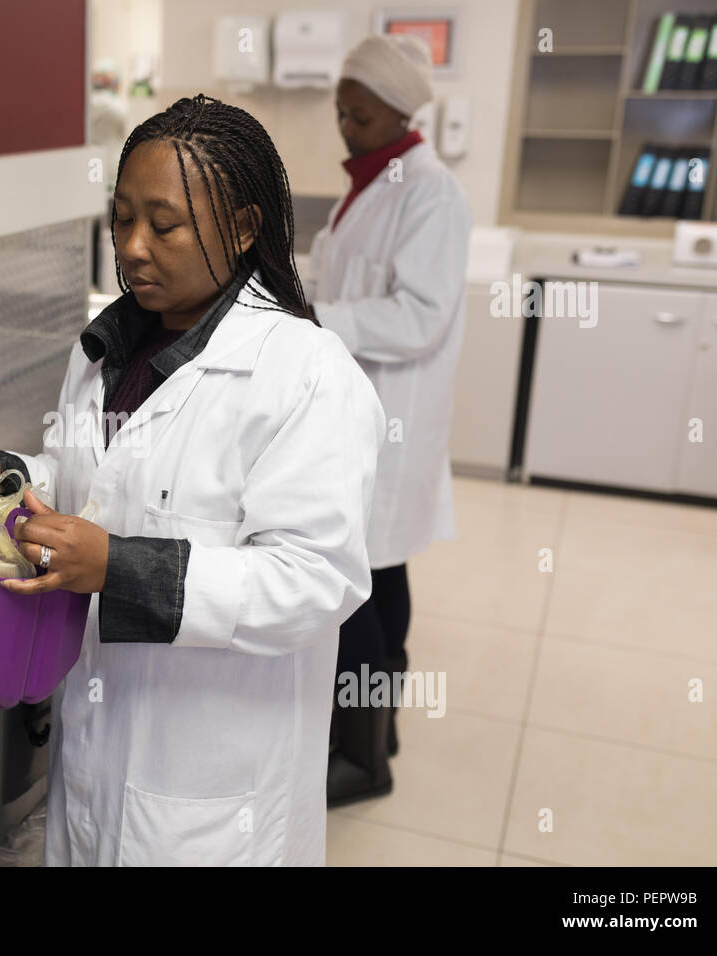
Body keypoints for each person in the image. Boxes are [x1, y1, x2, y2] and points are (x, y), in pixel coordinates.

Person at [0, 95, 384, 866]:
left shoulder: (303, 374)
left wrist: (121, 568)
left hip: (213, 787)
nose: (131, 248)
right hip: (99, 747)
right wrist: (1, 475)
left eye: (163, 226)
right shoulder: (107, 352)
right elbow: (83, 481)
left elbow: (315, 580)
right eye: (121, 218)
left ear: (241, 227)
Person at [300, 35, 472, 805]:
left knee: (358, 584)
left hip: (390, 415)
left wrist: (319, 318)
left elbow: (420, 316)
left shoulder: (430, 192)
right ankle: (382, 727)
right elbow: (343, 270)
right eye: (341, 110)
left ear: (399, 111)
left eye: (358, 114)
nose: (344, 125)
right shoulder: (370, 181)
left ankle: (362, 761)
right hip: (365, 411)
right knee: (384, 568)